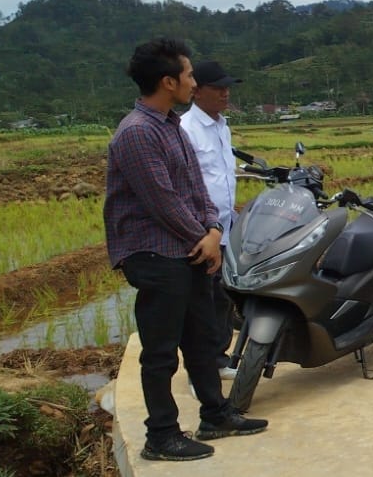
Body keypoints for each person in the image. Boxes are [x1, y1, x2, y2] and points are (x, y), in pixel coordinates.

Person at [105, 38, 268, 462]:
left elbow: (195, 187)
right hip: (157, 255)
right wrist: (207, 236)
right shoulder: (138, 133)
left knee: (201, 338)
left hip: (191, 248)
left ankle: (216, 414)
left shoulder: (170, 125)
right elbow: (161, 200)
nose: (193, 82)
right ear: (168, 81)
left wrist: (212, 229)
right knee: (160, 352)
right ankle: (161, 434)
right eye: (189, 75)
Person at [179, 60, 242, 380]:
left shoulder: (221, 125)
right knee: (202, 301)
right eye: (218, 88)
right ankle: (198, 371)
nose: (225, 93)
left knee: (221, 298)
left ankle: (217, 359)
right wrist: (203, 229)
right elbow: (185, 184)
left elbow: (221, 176)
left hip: (226, 226)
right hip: (202, 231)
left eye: (227, 87)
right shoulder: (186, 129)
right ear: (197, 91)